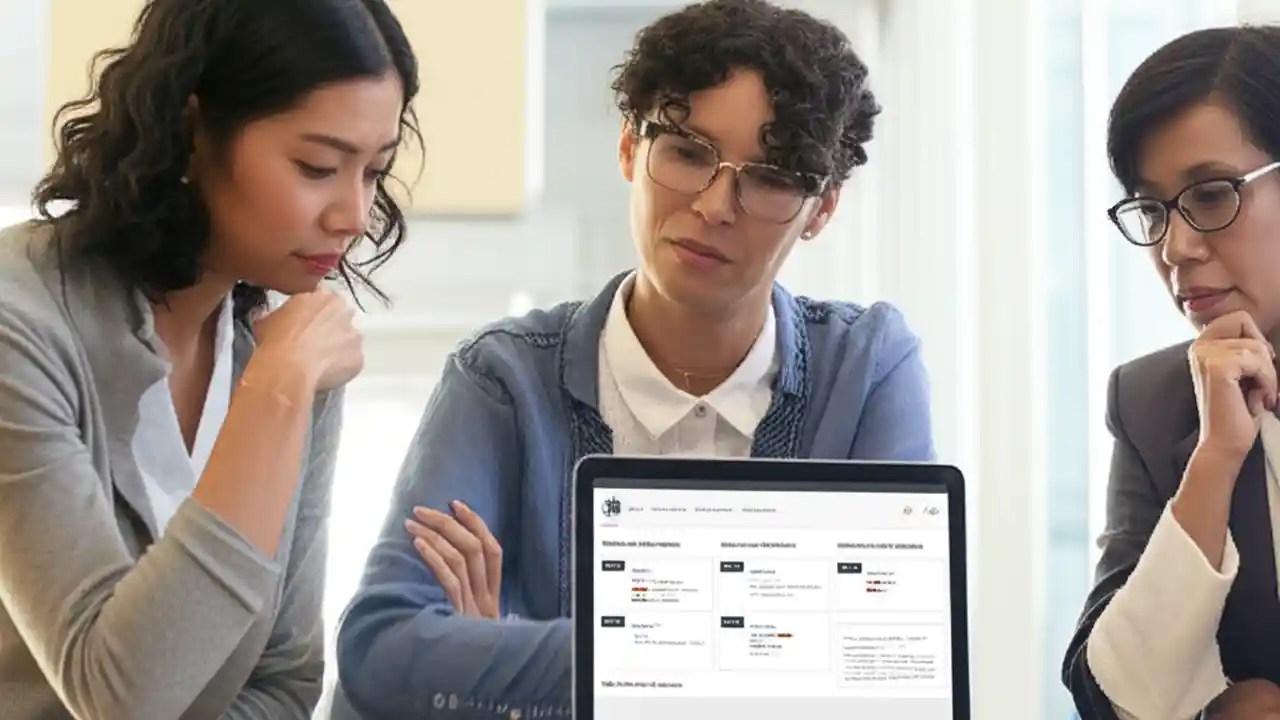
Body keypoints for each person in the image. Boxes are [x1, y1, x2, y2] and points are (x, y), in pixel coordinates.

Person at [336, 1, 934, 717]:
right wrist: (743, 658)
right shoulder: (504, 380)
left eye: (770, 178)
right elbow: (381, 654)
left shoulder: (866, 370)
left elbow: (895, 679)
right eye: (687, 152)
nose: (715, 206)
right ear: (629, 147)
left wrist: (501, 660)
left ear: (822, 209)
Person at [0, 1, 418, 718]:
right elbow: (118, 697)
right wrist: (275, 393)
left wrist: (286, 380)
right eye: (317, 167)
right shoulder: (22, 325)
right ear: (192, 132)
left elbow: (285, 684)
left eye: (375, 171)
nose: (352, 215)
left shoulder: (286, 348)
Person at [1062, 24, 1280, 720]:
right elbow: (1107, 698)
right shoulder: (1154, 402)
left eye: (1211, 195)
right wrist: (1215, 460)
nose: (1175, 247)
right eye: (1152, 209)